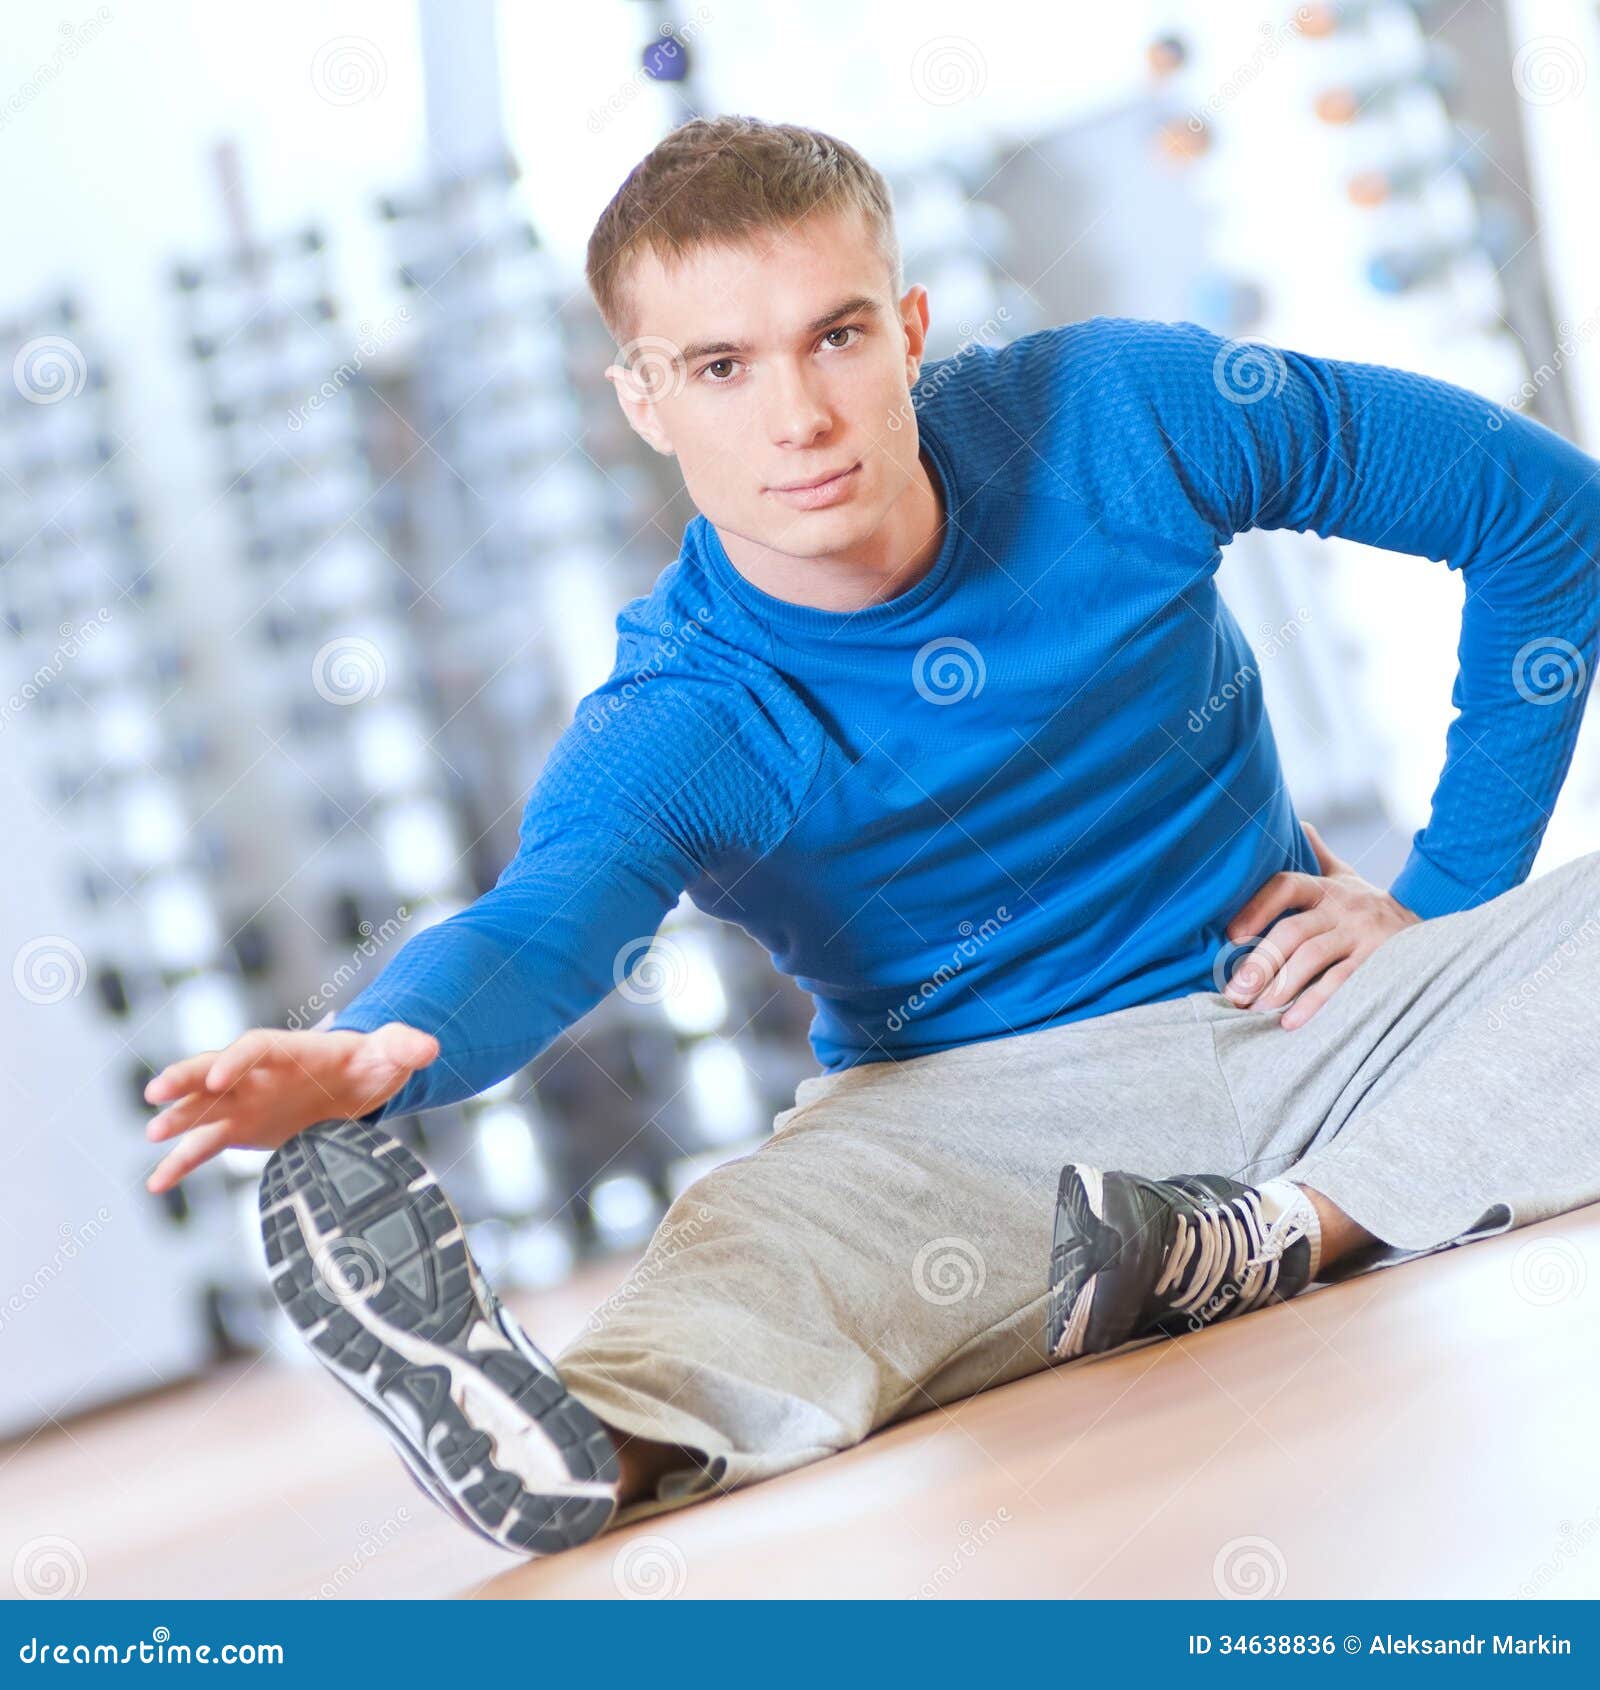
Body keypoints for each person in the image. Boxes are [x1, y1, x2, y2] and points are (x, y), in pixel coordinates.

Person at [144, 115, 1600, 1557]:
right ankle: (577, 1441)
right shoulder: (688, 711)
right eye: (722, 366)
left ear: (907, 332)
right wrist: (377, 1048)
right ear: (644, 399)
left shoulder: (1128, 412)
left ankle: (1280, 1227)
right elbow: (539, 922)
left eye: (834, 338)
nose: (799, 417)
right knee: (763, 1250)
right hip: (968, 1125)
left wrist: (1448, 896)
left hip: (1323, 1020)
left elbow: (1544, 516)